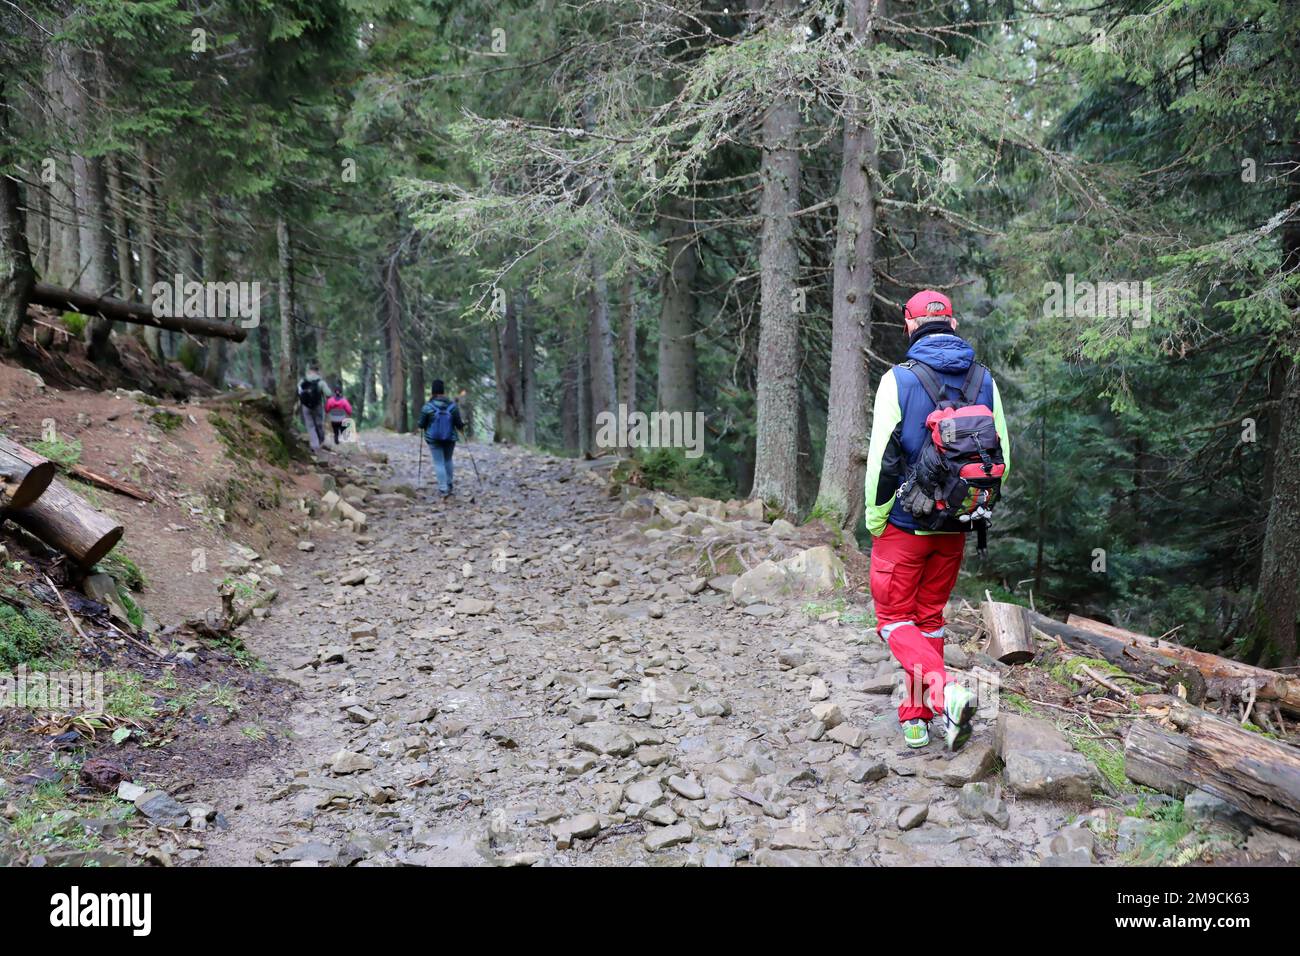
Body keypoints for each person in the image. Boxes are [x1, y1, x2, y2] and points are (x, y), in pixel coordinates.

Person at [863, 289, 1011, 751]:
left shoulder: (897, 379)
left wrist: (876, 516)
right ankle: (917, 717)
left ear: (909, 324)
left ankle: (946, 692)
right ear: (953, 323)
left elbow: (881, 461)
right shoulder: (985, 379)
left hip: (905, 525)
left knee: (892, 618)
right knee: (928, 620)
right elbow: (1003, 454)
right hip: (958, 521)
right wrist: (970, 504)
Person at [417, 379, 465, 496]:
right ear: (443, 391)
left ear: (433, 392)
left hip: (433, 439)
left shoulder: (427, 407)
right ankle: (449, 484)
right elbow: (459, 423)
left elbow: (421, 424)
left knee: (439, 463)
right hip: (450, 438)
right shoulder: (452, 406)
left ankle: (443, 489)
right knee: (448, 460)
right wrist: (462, 427)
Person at [297, 364, 330, 452]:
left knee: (310, 425)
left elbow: (298, 391)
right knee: (319, 424)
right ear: (317, 371)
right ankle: (321, 441)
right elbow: (328, 394)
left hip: (305, 406)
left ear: (309, 371)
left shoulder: (303, 380)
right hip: (317, 405)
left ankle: (314, 446)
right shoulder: (321, 382)